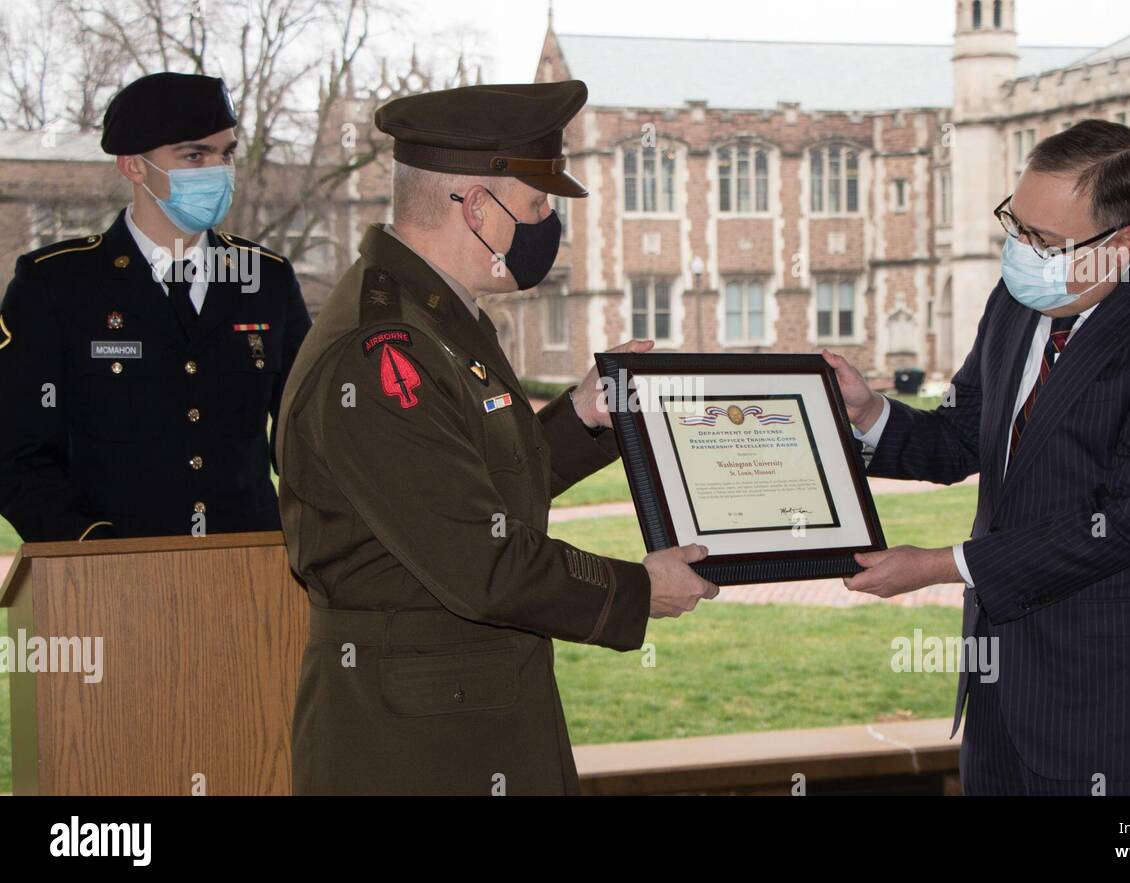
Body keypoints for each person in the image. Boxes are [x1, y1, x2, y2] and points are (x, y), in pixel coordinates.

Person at [275, 80, 718, 795]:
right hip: (416, 744)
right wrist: (637, 591)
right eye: (538, 206)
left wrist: (582, 417)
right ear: (479, 208)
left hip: (469, 710)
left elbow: (477, 492)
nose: (547, 226)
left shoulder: (441, 320)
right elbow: (482, 561)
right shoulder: (383, 349)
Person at [826, 119, 1130, 795]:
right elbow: (966, 434)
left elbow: (1128, 522)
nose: (1020, 249)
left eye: (1045, 241)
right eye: (1015, 224)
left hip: (1120, 702)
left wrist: (940, 566)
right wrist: (867, 413)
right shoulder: (1021, 298)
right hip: (1001, 693)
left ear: (1121, 246)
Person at [0, 72, 310, 541]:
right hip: (109, 578)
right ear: (134, 166)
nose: (218, 170)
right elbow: (17, 454)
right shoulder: (56, 283)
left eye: (226, 154)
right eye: (194, 155)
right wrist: (93, 546)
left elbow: (307, 436)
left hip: (250, 572)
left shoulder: (264, 278)